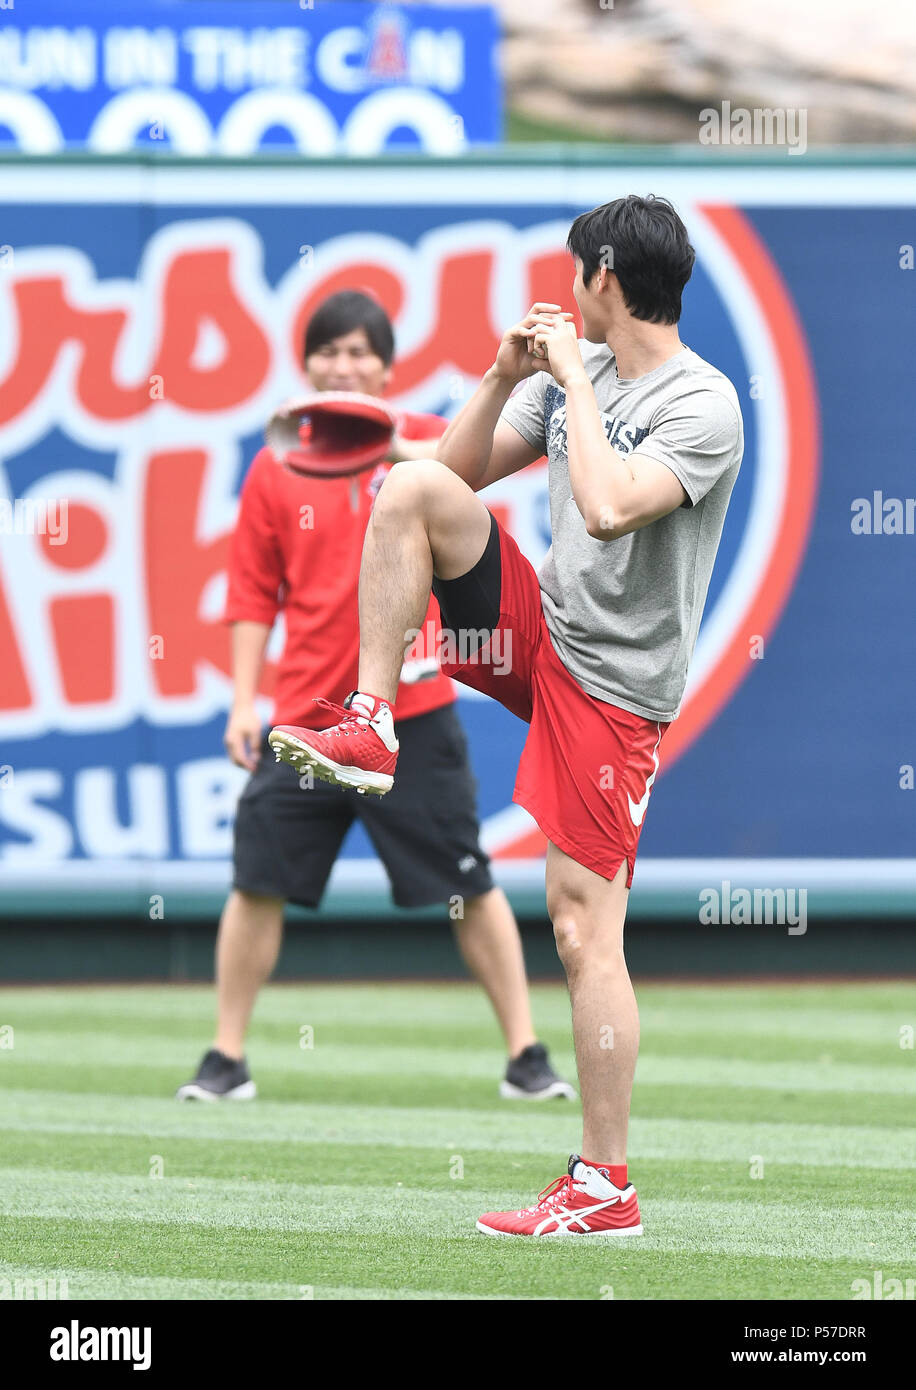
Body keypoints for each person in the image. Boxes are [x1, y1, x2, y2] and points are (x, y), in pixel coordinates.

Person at [269, 197, 744, 1235]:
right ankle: (369, 718)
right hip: (539, 631)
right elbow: (453, 476)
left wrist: (572, 377)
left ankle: (603, 1184)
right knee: (405, 491)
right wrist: (499, 376)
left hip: (616, 689)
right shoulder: (583, 375)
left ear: (605, 278)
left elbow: (613, 504)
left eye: (581, 268)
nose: (570, 285)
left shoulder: (703, 403)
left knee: (581, 925)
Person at [177, 290, 573, 1104]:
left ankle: (525, 1054)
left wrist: (402, 437)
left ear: (388, 368)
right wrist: (243, 703)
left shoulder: (429, 446)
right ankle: (226, 1057)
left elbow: (478, 491)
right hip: (309, 722)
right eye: (331, 351)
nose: (345, 365)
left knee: (468, 884)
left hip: (412, 716)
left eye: (362, 353)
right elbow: (253, 594)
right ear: (308, 365)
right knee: (256, 880)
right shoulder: (276, 463)